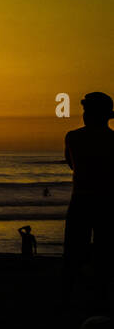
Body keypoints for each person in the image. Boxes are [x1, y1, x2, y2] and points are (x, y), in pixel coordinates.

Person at [63, 92, 114, 305]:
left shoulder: (74, 137)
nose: (84, 115)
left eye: (86, 111)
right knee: (106, 252)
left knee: (74, 252)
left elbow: (71, 164)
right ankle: (101, 295)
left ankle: (72, 295)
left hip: (82, 200)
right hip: (108, 201)